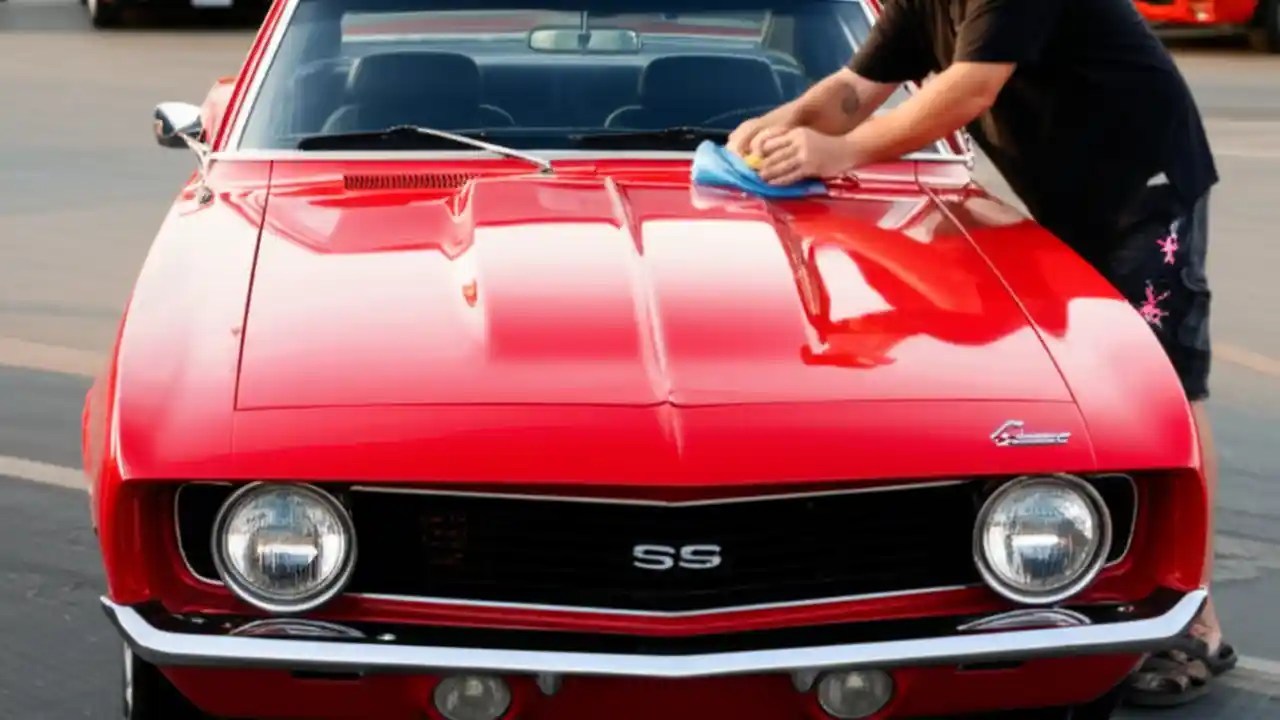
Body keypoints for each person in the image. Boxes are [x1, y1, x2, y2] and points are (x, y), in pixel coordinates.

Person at [729, 0, 1235, 707]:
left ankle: (1194, 621)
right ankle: (1082, 556)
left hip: (1139, 193)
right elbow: (852, 89)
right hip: (1066, 197)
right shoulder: (919, 4)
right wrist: (783, 125)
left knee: (1168, 389)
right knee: (1089, 388)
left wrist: (839, 153)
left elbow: (970, 88)